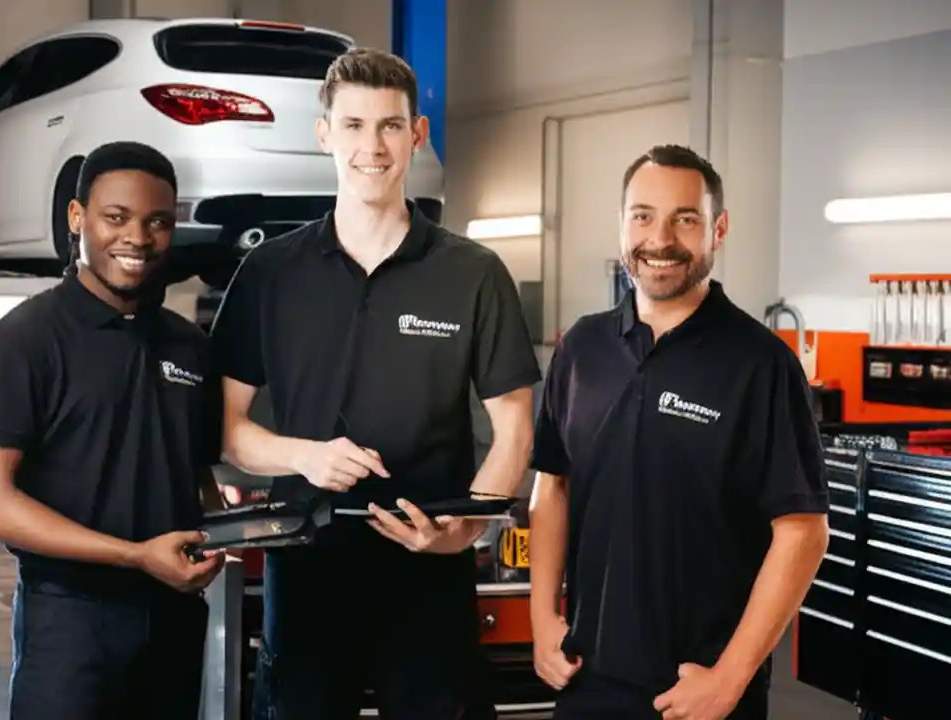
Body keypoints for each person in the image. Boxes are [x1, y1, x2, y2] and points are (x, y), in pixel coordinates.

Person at [210, 48, 542, 719]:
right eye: (354, 126)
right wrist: (307, 456)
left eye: (390, 126)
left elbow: (514, 429)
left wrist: (462, 529)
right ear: (324, 134)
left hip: (429, 577)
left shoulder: (472, 274)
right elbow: (226, 428)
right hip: (307, 572)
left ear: (417, 134)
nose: (373, 147)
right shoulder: (271, 274)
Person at [527, 144, 831, 719]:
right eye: (642, 216)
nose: (660, 239)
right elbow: (553, 484)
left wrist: (729, 678)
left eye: (685, 219)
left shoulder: (761, 364)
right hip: (586, 678)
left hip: (700, 692)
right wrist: (542, 617)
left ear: (719, 228)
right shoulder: (582, 348)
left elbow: (803, 532)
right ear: (622, 223)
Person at [0, 141, 226, 719]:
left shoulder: (189, 346)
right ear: (77, 217)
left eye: (158, 222)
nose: (138, 238)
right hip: (70, 622)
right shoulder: (23, 342)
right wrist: (134, 555)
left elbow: (196, 473)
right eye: (116, 217)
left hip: (174, 615)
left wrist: (237, 529)